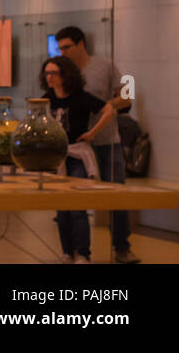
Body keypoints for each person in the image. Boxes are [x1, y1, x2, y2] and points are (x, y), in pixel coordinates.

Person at [55, 26, 138, 264]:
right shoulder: (63, 71)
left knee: (117, 195)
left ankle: (122, 247)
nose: (63, 52)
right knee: (73, 198)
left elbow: (126, 97)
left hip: (106, 141)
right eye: (60, 48)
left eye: (67, 47)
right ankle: (74, 251)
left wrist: (103, 106)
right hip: (76, 147)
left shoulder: (105, 67)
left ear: (81, 44)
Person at [41, 55, 115, 264]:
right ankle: (67, 252)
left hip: (77, 155)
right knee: (62, 209)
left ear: (65, 75)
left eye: (54, 73)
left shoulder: (80, 97)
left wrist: (92, 133)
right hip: (56, 157)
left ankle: (83, 253)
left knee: (77, 207)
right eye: (47, 73)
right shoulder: (47, 98)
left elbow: (109, 109)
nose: (50, 77)